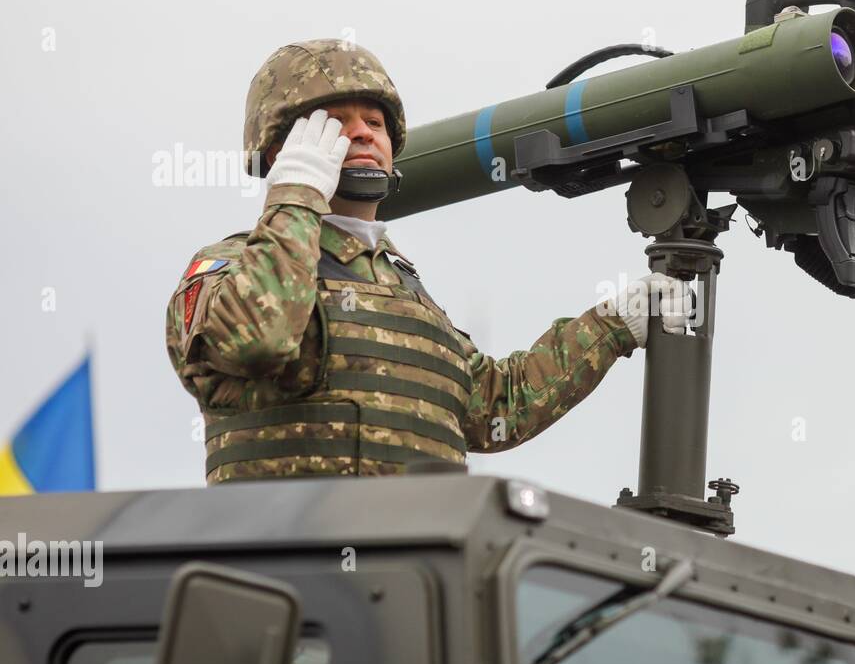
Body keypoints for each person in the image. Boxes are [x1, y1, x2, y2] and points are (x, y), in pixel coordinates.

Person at [165, 39, 686, 483]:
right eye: (336, 123)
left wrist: (614, 323)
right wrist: (296, 193)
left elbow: (496, 406)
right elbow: (259, 337)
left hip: (420, 574)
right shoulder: (228, 269)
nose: (364, 132)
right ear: (281, 146)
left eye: (374, 122)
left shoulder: (405, 289)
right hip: (293, 576)